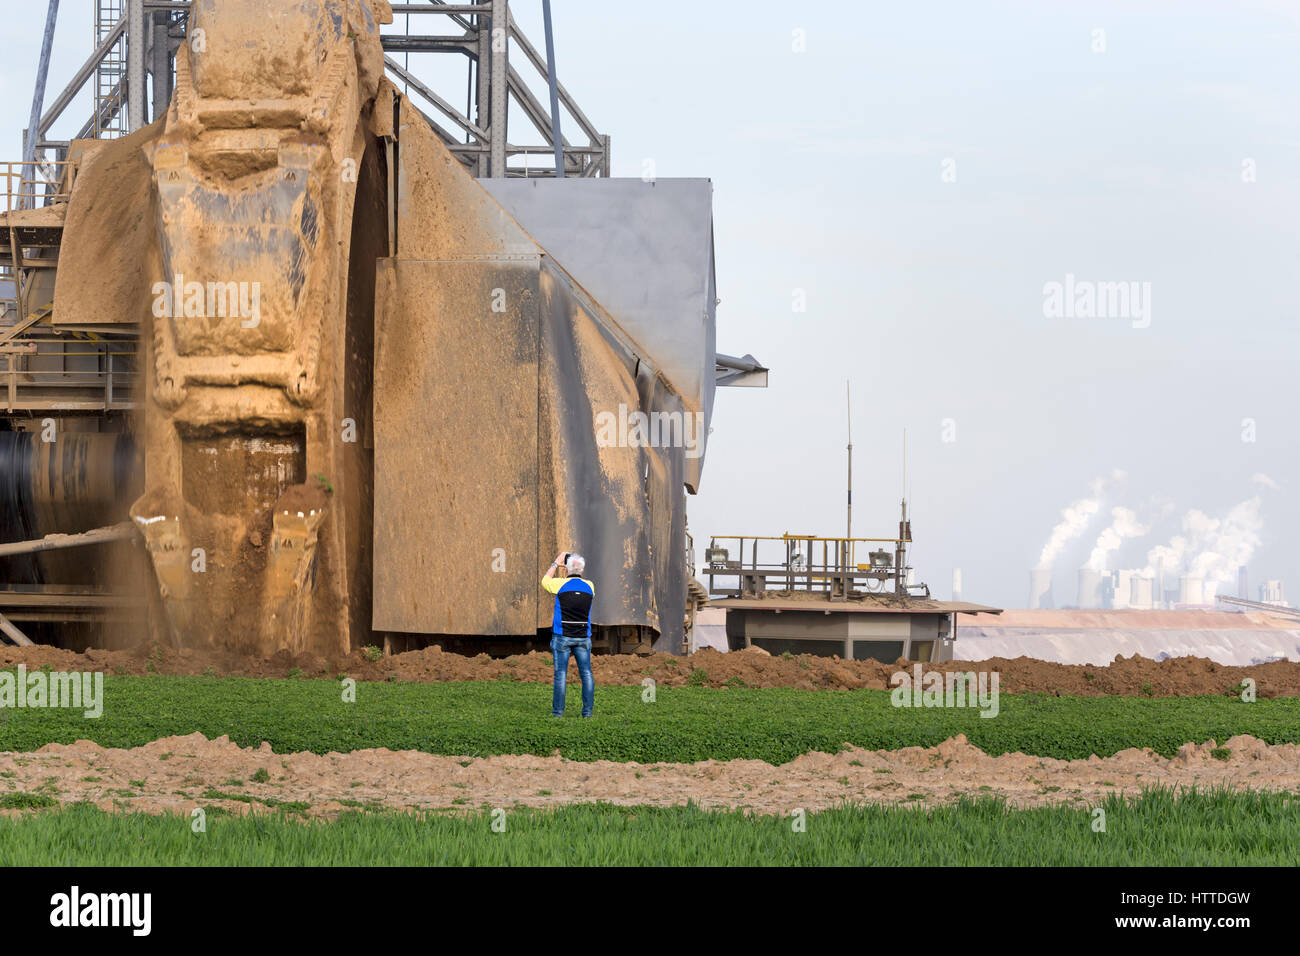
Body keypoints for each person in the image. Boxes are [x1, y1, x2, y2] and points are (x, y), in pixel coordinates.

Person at [542, 550, 595, 717]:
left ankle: (558, 712)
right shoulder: (590, 586)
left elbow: (545, 581)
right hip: (583, 637)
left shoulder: (560, 584)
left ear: (566, 569)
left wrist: (555, 563)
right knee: (586, 674)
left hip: (562, 637)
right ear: (583, 570)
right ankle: (587, 713)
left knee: (560, 674)